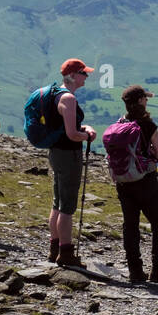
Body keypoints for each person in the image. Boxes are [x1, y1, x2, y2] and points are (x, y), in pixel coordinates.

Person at [114, 85, 158, 285]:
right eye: (145, 99)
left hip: (123, 181)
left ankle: (135, 271)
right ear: (140, 101)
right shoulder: (147, 124)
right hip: (145, 180)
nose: (147, 101)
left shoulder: (120, 123)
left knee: (130, 225)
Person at [49, 58, 98, 268]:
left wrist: (82, 127)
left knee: (57, 201)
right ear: (72, 76)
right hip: (68, 155)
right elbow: (71, 134)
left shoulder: (57, 94)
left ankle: (55, 248)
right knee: (67, 206)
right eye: (83, 73)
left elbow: (68, 126)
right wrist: (86, 136)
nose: (86, 77)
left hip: (57, 153)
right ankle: (66, 253)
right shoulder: (68, 98)